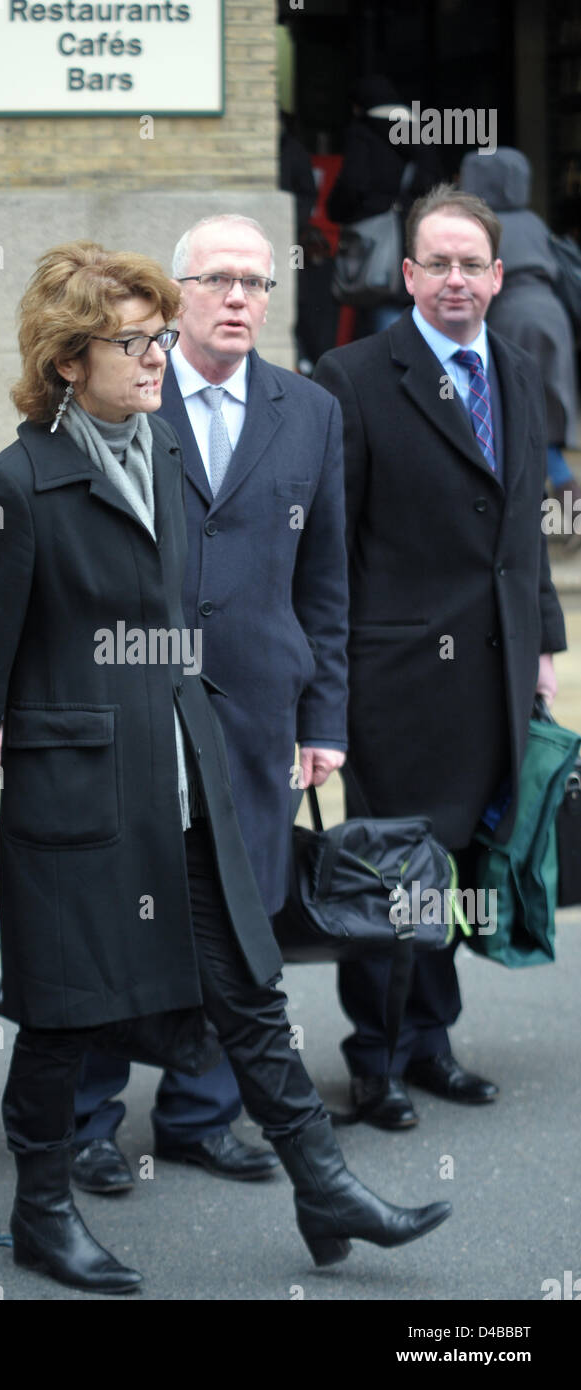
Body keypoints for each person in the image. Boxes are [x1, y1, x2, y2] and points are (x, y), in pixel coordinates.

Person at [0, 240, 451, 1293]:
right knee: (63, 1012)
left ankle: (324, 1185)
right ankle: (41, 1215)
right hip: (79, 795)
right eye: (135, 340)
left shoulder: (163, 455)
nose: (159, 356)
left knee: (250, 991)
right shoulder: (13, 488)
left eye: (162, 334)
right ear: (70, 359)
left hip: (187, 782)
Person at [71, 214, 349, 1197]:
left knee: (243, 919)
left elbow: (325, 578)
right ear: (177, 291)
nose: (239, 298)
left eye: (258, 283)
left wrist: (324, 720)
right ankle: (84, 1123)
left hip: (258, 709)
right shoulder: (123, 399)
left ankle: (200, 1113)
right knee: (120, 912)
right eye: (218, 279)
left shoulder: (310, 412)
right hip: (135, 704)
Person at [314, 187, 567, 1130]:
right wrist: (323, 690)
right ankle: (372, 1060)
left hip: (494, 675)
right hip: (395, 685)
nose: (455, 278)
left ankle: (431, 1044)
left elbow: (523, 531)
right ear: (408, 274)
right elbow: (329, 549)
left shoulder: (513, 365)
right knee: (391, 876)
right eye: (438, 263)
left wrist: (543, 641)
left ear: (496, 278)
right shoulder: (351, 376)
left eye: (472, 264)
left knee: (457, 870)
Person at [460, 147, 581, 543]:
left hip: (511, 319)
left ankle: (523, 523)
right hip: (552, 318)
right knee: (539, 418)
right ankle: (570, 509)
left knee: (511, 420)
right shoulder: (533, 221)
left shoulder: (482, 224)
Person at [328, 75, 441, 335]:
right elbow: (435, 185)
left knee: (379, 308)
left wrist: (340, 211)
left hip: (377, 239)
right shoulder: (419, 133)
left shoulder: (362, 133)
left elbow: (353, 183)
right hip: (416, 241)